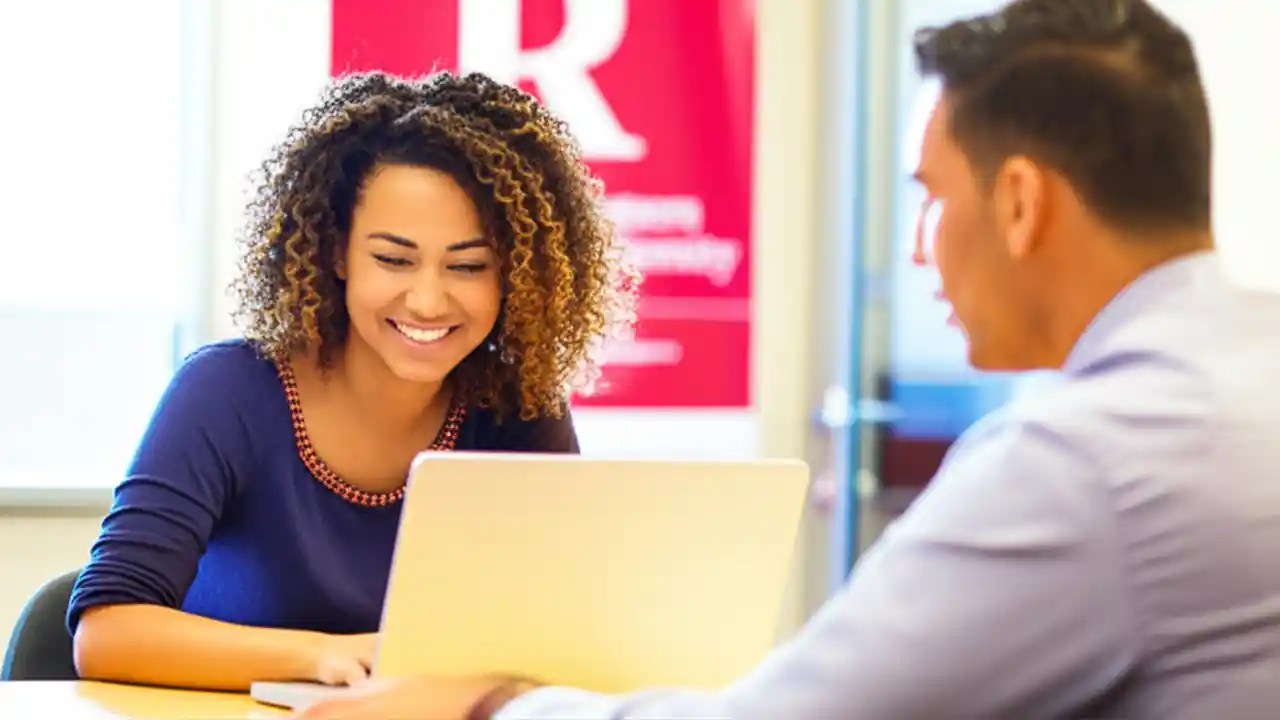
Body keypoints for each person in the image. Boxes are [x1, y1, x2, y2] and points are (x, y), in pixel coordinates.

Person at [294, 1, 1280, 718]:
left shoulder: (1086, 460)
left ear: (1019, 203)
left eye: (928, 197)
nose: (916, 245)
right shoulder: (1244, 373)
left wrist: (483, 705)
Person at [67, 70, 635, 691]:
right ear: (337, 254)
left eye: (468, 266)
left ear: (515, 277)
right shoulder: (227, 392)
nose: (426, 300)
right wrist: (320, 657)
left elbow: (561, 630)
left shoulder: (518, 409)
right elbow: (107, 631)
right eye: (392, 259)